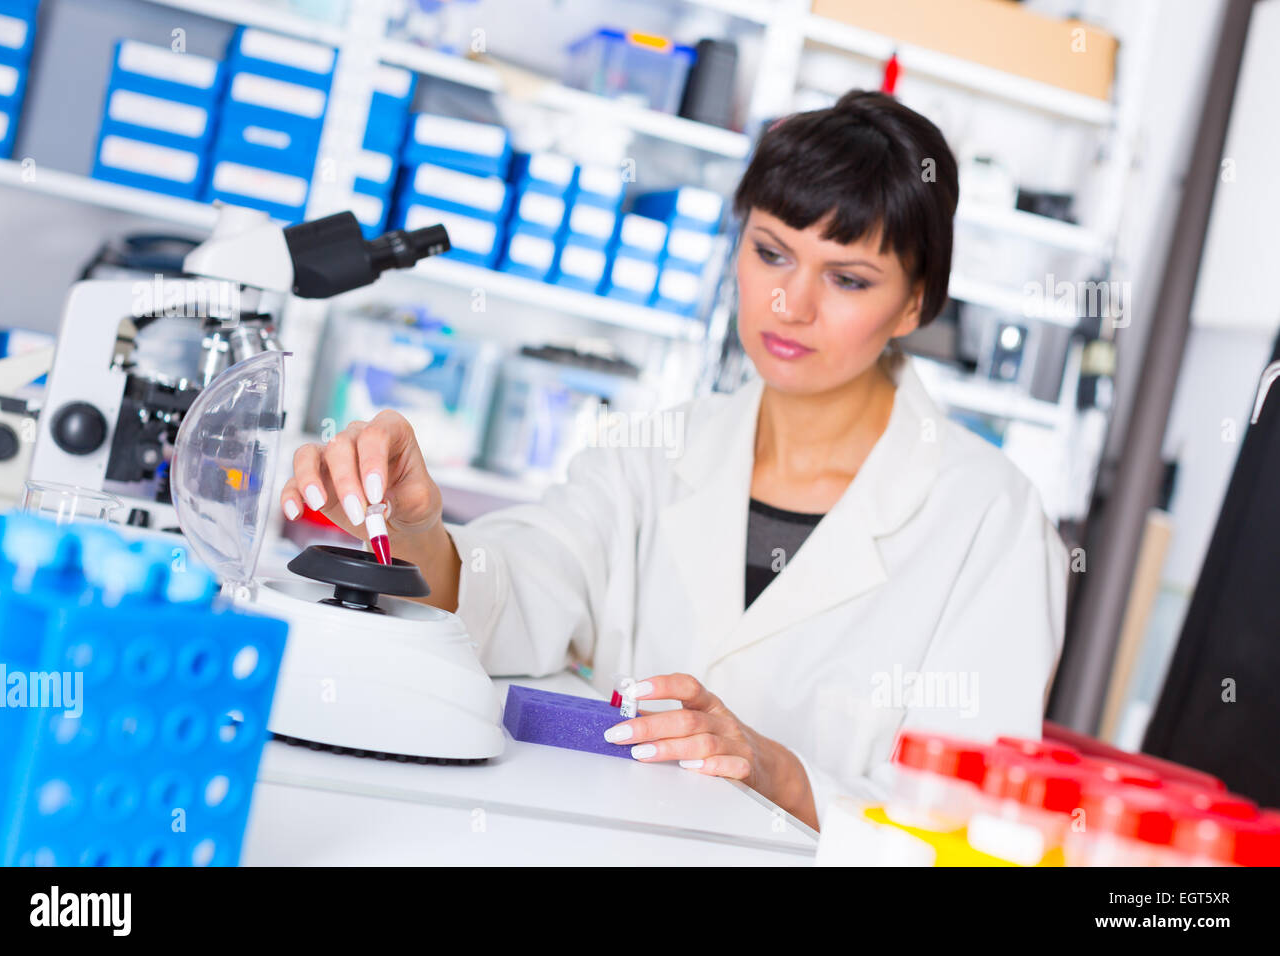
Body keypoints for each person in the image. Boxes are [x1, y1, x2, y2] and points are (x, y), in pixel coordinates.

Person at [279, 90, 1069, 830]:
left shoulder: (989, 522)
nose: (791, 304)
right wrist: (418, 529)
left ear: (915, 304)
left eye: (848, 278)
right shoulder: (660, 452)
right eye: (771, 252)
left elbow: (979, 825)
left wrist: (779, 775)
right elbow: (525, 585)